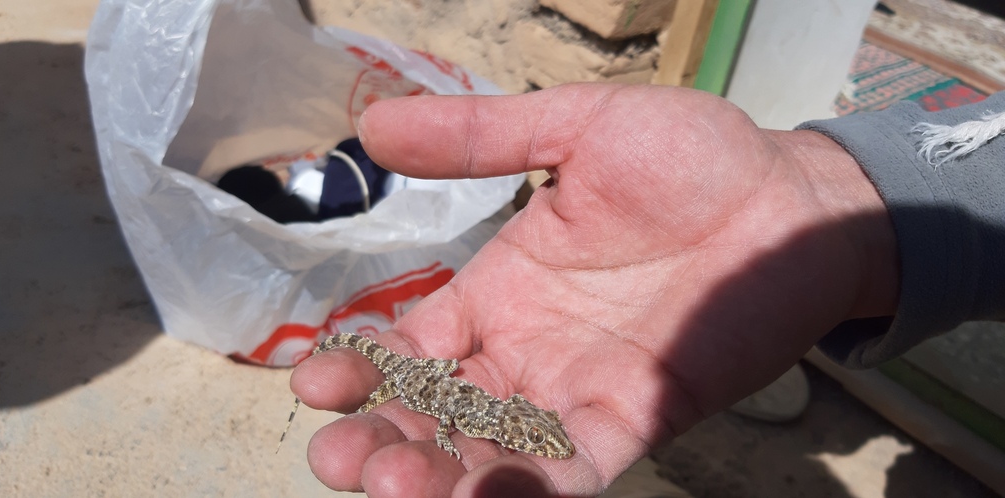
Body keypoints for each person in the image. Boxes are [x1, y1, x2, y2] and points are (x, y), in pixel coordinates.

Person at [289, 83, 1005, 497]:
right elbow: (451, 411)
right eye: (537, 430)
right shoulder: (476, 410)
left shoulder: (494, 413)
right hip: (428, 382)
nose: (542, 431)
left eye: (538, 430)